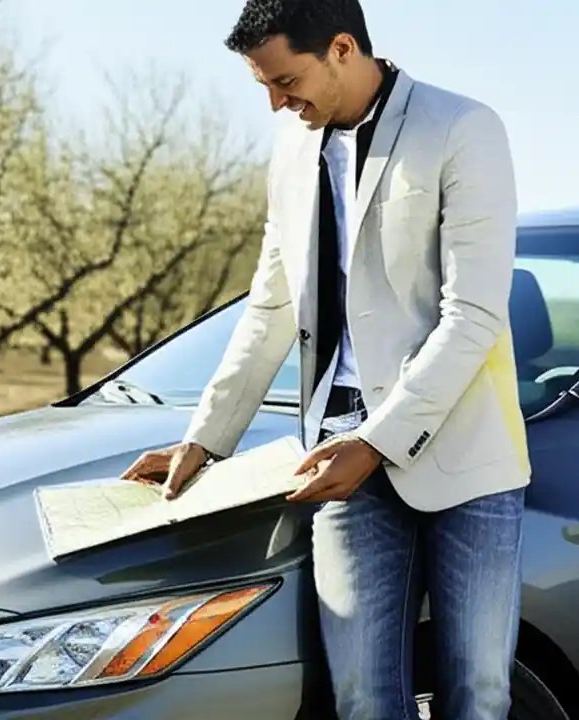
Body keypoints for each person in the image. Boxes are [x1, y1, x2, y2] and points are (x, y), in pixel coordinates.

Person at [120, 1, 529, 718]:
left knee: (480, 694)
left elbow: (473, 315)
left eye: (287, 81)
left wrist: (377, 442)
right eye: (265, 88)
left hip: (468, 455)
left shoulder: (463, 127)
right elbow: (271, 305)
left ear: (343, 47)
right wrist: (205, 438)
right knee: (362, 697)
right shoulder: (289, 148)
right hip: (334, 451)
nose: (278, 104)